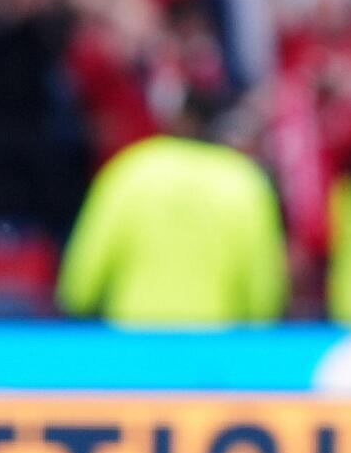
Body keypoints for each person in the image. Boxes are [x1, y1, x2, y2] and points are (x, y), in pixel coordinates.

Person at [57, 95, 286, 326]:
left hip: (134, 343)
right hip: (216, 348)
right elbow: (263, 297)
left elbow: (80, 285)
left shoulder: (131, 171)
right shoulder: (244, 183)